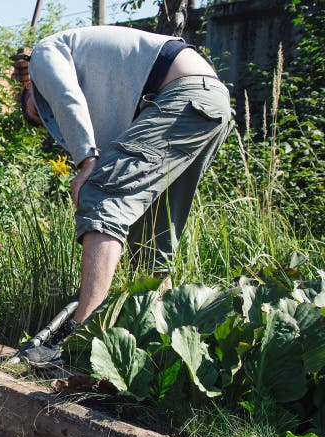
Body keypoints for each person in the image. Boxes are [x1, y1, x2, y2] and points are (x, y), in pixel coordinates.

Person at [16, 25, 232, 363]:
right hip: (207, 101)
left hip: (181, 93)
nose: (47, 117)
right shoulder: (103, 79)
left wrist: (87, 162)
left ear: (30, 85)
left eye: (40, 109)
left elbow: (66, 98)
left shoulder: (45, 54)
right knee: (149, 239)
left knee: (101, 193)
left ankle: (77, 335)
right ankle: (164, 344)